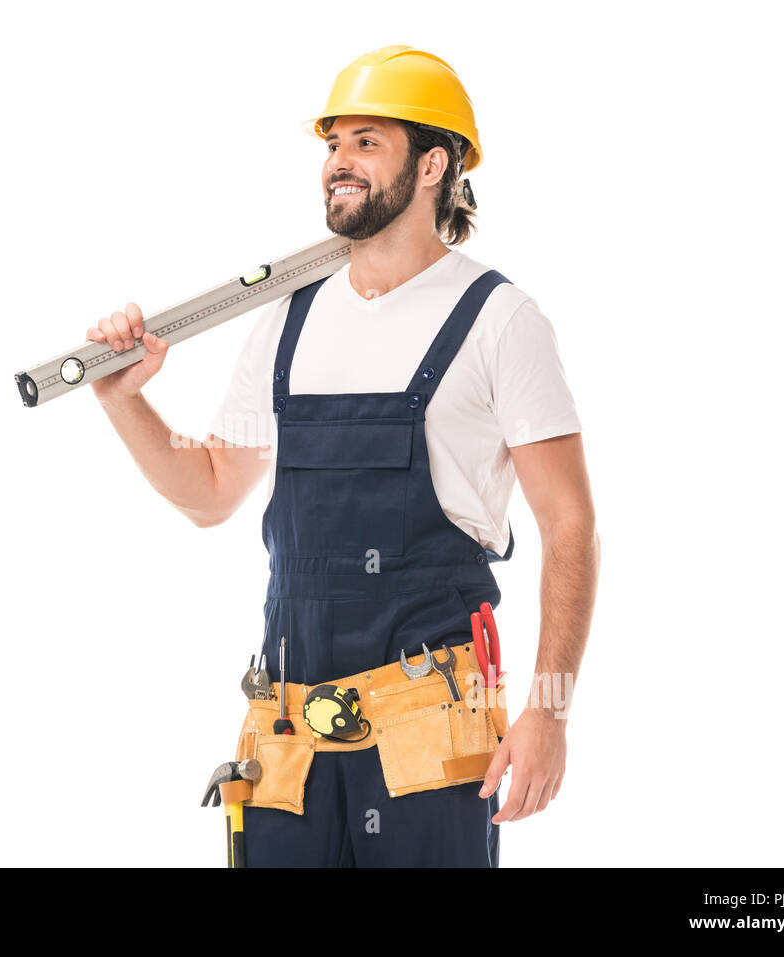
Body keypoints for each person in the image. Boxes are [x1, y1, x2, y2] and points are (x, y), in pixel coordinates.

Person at [83, 45, 600, 867]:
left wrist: (552, 711)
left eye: (366, 141)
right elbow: (211, 489)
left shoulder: (501, 321)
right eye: (332, 144)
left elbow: (570, 526)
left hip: (431, 735)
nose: (337, 163)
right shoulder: (287, 318)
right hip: (287, 737)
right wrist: (123, 398)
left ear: (434, 164)